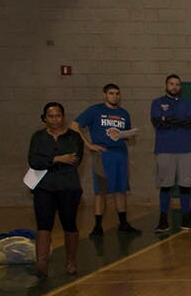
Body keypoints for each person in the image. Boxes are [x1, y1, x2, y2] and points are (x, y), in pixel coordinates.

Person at [26, 101, 86, 280]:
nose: (55, 119)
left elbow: (74, 159)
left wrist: (48, 160)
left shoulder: (74, 137)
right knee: (43, 223)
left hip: (68, 187)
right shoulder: (38, 137)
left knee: (69, 223)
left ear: (63, 116)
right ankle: (41, 262)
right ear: (45, 118)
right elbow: (33, 161)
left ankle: (70, 261)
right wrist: (58, 158)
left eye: (58, 115)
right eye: (51, 116)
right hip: (44, 187)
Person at [76, 82, 139, 237]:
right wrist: (89, 144)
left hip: (120, 154)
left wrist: (127, 136)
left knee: (121, 190)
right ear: (105, 95)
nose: (115, 96)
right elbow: (74, 125)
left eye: (117, 93)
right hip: (102, 154)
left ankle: (123, 223)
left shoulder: (124, 113)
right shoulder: (95, 110)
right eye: (111, 93)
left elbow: (127, 135)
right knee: (101, 191)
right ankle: (97, 226)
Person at [149, 74, 191, 233]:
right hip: (165, 149)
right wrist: (180, 121)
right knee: (166, 185)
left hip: (186, 150)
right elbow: (159, 123)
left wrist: (170, 120)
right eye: (171, 84)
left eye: (177, 84)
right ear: (166, 85)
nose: (174, 87)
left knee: (186, 185)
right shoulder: (157, 103)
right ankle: (163, 219)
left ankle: (186, 218)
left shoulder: (187, 103)